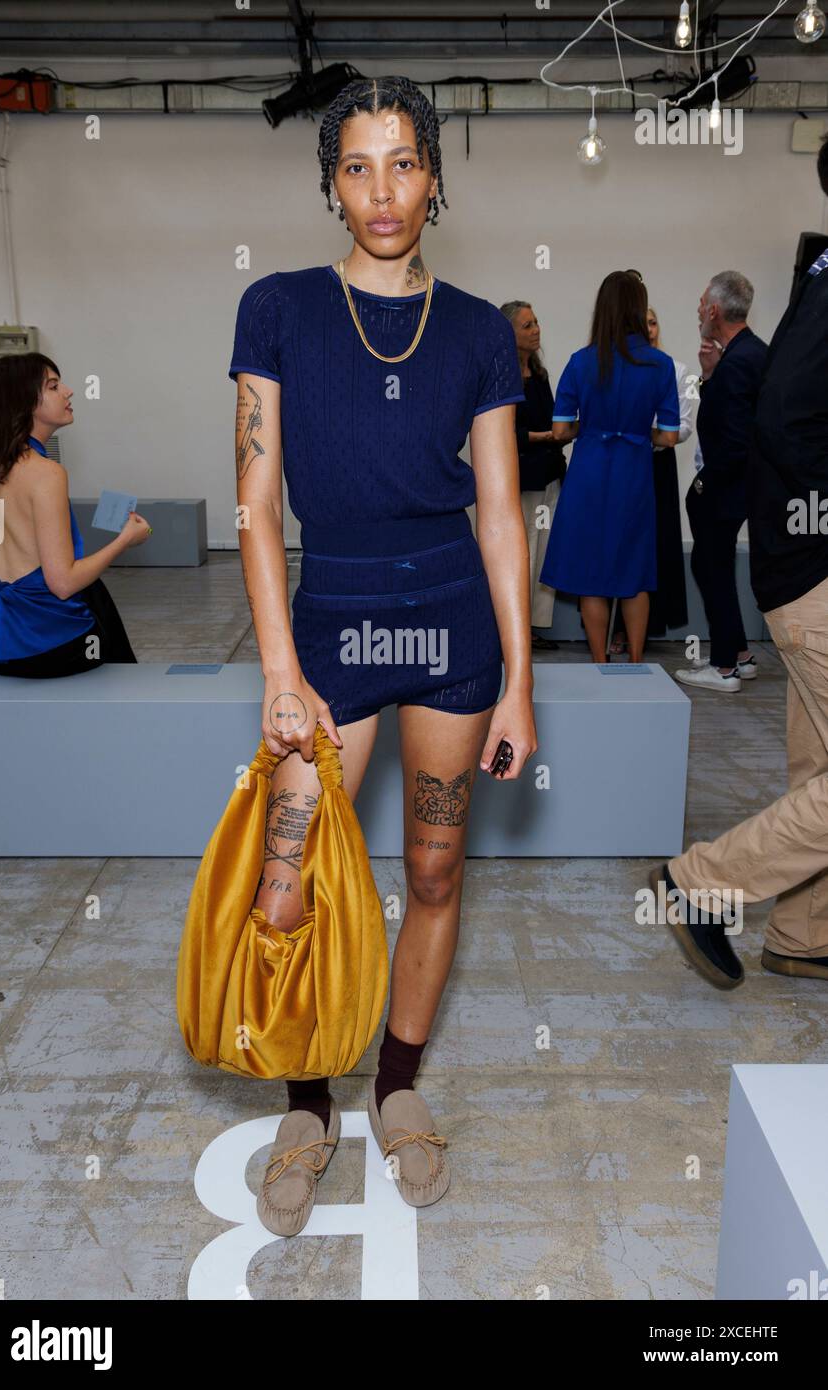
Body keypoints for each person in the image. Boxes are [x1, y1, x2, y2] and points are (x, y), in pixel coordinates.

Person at [228, 74, 537, 1237]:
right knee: (288, 879)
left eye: (402, 161)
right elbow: (256, 505)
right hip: (329, 634)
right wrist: (277, 671)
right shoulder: (279, 309)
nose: (382, 188)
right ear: (330, 186)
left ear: (436, 175)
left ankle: (397, 1084)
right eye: (357, 166)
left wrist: (518, 679)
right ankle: (307, 1100)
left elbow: (503, 512)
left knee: (438, 872)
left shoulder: (475, 330)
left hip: (453, 623)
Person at [647, 138, 828, 989]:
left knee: (817, 773)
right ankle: (698, 884)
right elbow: (788, 424)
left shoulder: (816, 282)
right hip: (818, 573)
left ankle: (801, 933)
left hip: (801, 567)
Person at [0, 353, 147, 676]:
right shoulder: (46, 474)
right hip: (52, 645)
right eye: (54, 386)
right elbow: (62, 583)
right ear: (25, 401)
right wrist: (125, 540)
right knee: (94, 597)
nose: (69, 391)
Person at [539, 271, 680, 663]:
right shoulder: (660, 364)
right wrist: (638, 431)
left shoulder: (581, 362)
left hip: (588, 472)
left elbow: (560, 430)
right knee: (635, 575)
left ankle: (600, 663)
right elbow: (669, 437)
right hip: (633, 474)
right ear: (638, 308)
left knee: (590, 576)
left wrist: (592, 427)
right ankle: (636, 662)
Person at [673, 272, 767, 693]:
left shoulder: (744, 360)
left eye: (700, 303)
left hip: (728, 488)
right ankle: (741, 654)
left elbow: (735, 440)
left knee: (711, 565)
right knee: (715, 565)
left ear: (713, 309)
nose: (697, 311)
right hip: (733, 486)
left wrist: (703, 485)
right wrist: (709, 375)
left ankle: (724, 666)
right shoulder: (742, 356)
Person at [610, 300, 693, 655]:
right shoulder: (615, 366)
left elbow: (685, 426)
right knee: (619, 543)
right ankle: (616, 629)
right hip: (623, 463)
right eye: (643, 322)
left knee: (654, 546)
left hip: (658, 466)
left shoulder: (677, 369)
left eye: (654, 322)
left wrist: (650, 432)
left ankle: (644, 631)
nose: (649, 329)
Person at [500, 299, 566, 652]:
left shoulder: (539, 375)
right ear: (508, 332)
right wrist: (545, 436)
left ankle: (530, 627)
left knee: (542, 554)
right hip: (521, 478)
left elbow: (554, 419)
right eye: (527, 325)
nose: (536, 329)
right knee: (520, 552)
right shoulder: (501, 375)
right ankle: (510, 629)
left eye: (536, 322)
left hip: (548, 475)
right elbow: (505, 432)